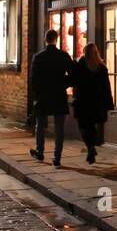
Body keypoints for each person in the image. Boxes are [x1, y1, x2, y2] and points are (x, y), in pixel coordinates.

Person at [29, 28, 75, 167]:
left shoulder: (38, 57)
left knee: (40, 126)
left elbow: (33, 80)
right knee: (59, 128)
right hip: (59, 95)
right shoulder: (64, 56)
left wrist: (37, 94)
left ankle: (40, 151)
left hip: (43, 96)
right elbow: (74, 75)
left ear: (45, 39)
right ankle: (57, 158)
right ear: (57, 39)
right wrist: (64, 84)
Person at [72, 43, 113, 164]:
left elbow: (73, 80)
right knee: (92, 126)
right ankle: (91, 148)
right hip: (96, 102)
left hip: (83, 101)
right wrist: (108, 103)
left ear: (85, 52)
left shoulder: (80, 66)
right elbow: (107, 87)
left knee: (83, 126)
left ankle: (90, 148)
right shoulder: (102, 67)